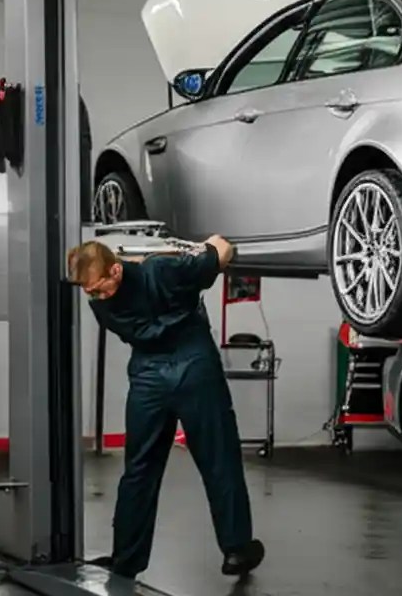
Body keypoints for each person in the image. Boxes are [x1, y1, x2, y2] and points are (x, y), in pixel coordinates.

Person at [67, 236, 265, 579]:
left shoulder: (116, 298)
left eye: (100, 289)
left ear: (116, 270)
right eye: (92, 293)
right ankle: (237, 548)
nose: (98, 298)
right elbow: (222, 252)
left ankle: (129, 560)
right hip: (192, 366)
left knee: (142, 469)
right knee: (215, 458)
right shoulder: (164, 269)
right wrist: (212, 243)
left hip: (150, 376)